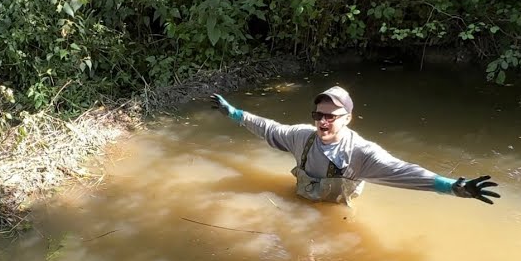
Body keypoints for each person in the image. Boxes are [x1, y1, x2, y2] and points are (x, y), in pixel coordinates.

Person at [210, 86, 499, 206]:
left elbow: (403, 172)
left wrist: (451, 186)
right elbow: (268, 128)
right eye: (318, 115)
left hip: (339, 212)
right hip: (300, 200)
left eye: (330, 116)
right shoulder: (302, 136)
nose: (322, 121)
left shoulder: (361, 153)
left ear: (348, 118)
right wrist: (234, 113)